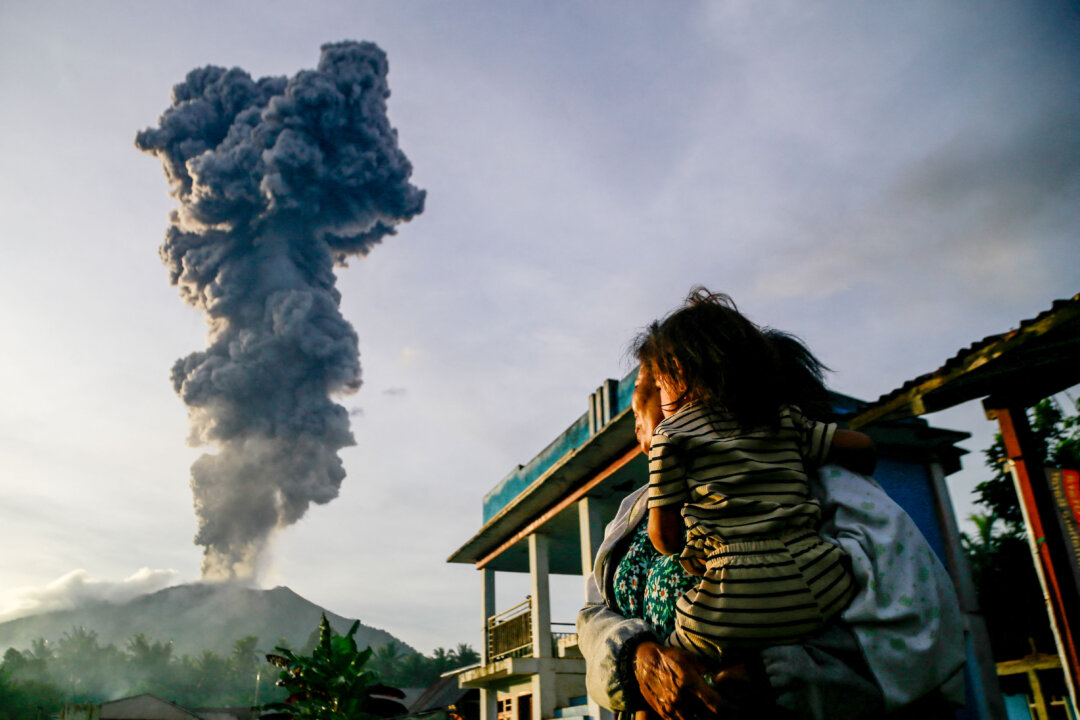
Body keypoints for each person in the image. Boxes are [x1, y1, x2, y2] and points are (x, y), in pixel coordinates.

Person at [578, 334, 966, 719]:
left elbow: (918, 632)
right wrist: (636, 658)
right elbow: (595, 614)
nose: (637, 409)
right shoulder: (635, 509)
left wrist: (775, 677)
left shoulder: (817, 487)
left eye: (648, 385)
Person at [634, 288, 875, 661]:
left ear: (678, 372)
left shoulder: (673, 435)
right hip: (820, 582)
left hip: (732, 593)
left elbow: (664, 538)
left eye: (659, 384)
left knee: (675, 659)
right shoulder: (782, 419)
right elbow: (862, 447)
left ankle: (730, 678)